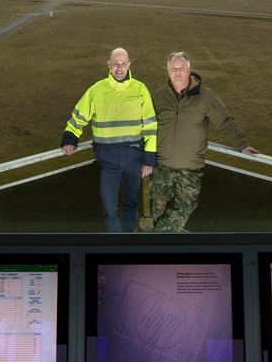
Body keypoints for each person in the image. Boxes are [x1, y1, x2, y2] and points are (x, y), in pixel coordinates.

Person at [148, 51, 257, 232]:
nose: (177, 72)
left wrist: (242, 144)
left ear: (188, 69)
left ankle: (154, 243)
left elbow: (224, 120)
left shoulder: (205, 96)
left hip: (190, 169)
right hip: (161, 168)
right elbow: (148, 126)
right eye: (174, 68)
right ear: (168, 71)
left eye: (181, 68)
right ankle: (161, 247)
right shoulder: (160, 95)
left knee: (181, 212)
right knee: (158, 214)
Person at [61, 48, 157, 232]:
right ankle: (117, 243)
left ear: (129, 65)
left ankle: (126, 242)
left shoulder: (140, 89)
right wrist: (70, 138)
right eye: (115, 64)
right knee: (109, 209)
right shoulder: (96, 90)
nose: (119, 68)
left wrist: (149, 160)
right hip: (108, 162)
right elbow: (79, 117)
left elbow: (151, 127)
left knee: (131, 204)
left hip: (134, 161)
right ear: (109, 64)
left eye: (123, 64)